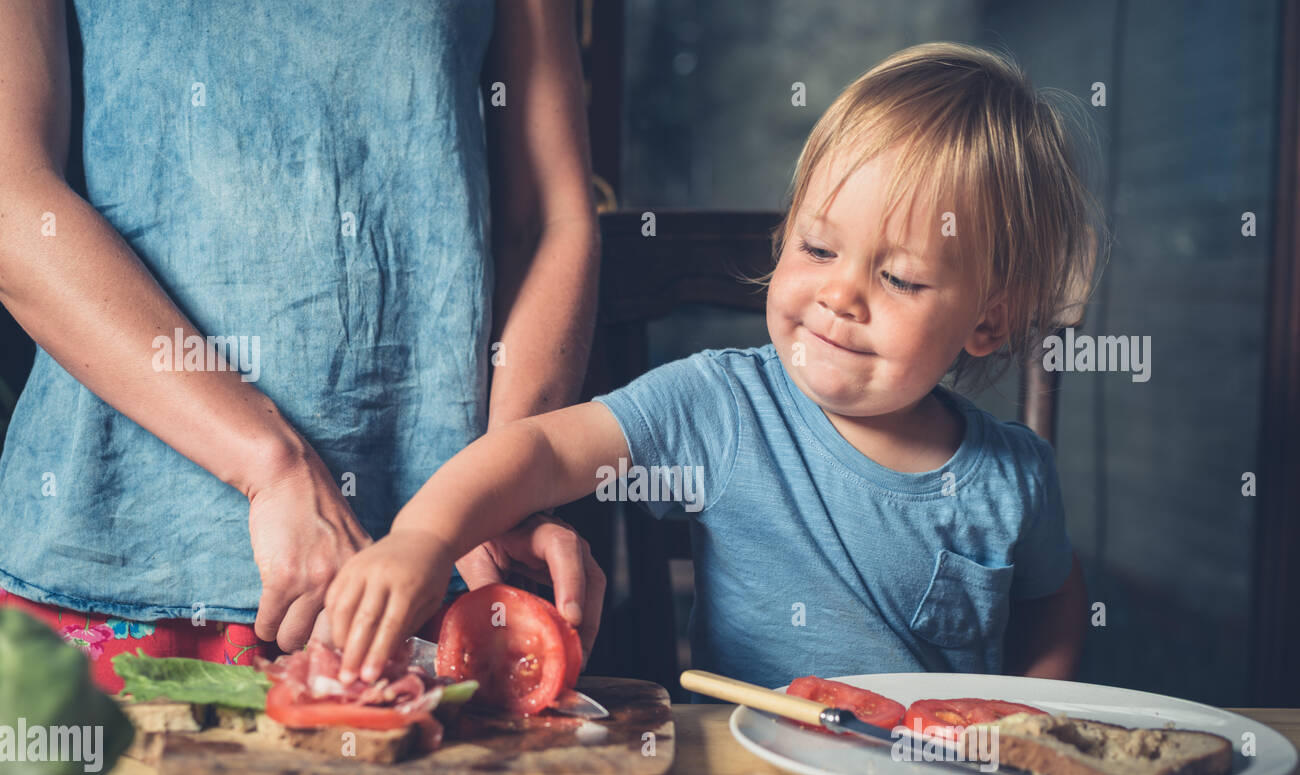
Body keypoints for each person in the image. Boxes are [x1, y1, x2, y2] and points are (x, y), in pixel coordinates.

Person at [324, 42, 1095, 690]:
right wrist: (422, 539)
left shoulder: (1015, 476)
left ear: (987, 320)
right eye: (818, 248)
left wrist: (1027, 714)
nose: (840, 296)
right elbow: (544, 450)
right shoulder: (721, 405)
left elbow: (1050, 600)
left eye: (898, 278)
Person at [0, 1, 603, 692]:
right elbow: (14, 201)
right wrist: (271, 465)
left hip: (433, 572)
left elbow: (547, 221)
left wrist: (503, 487)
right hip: (104, 559)